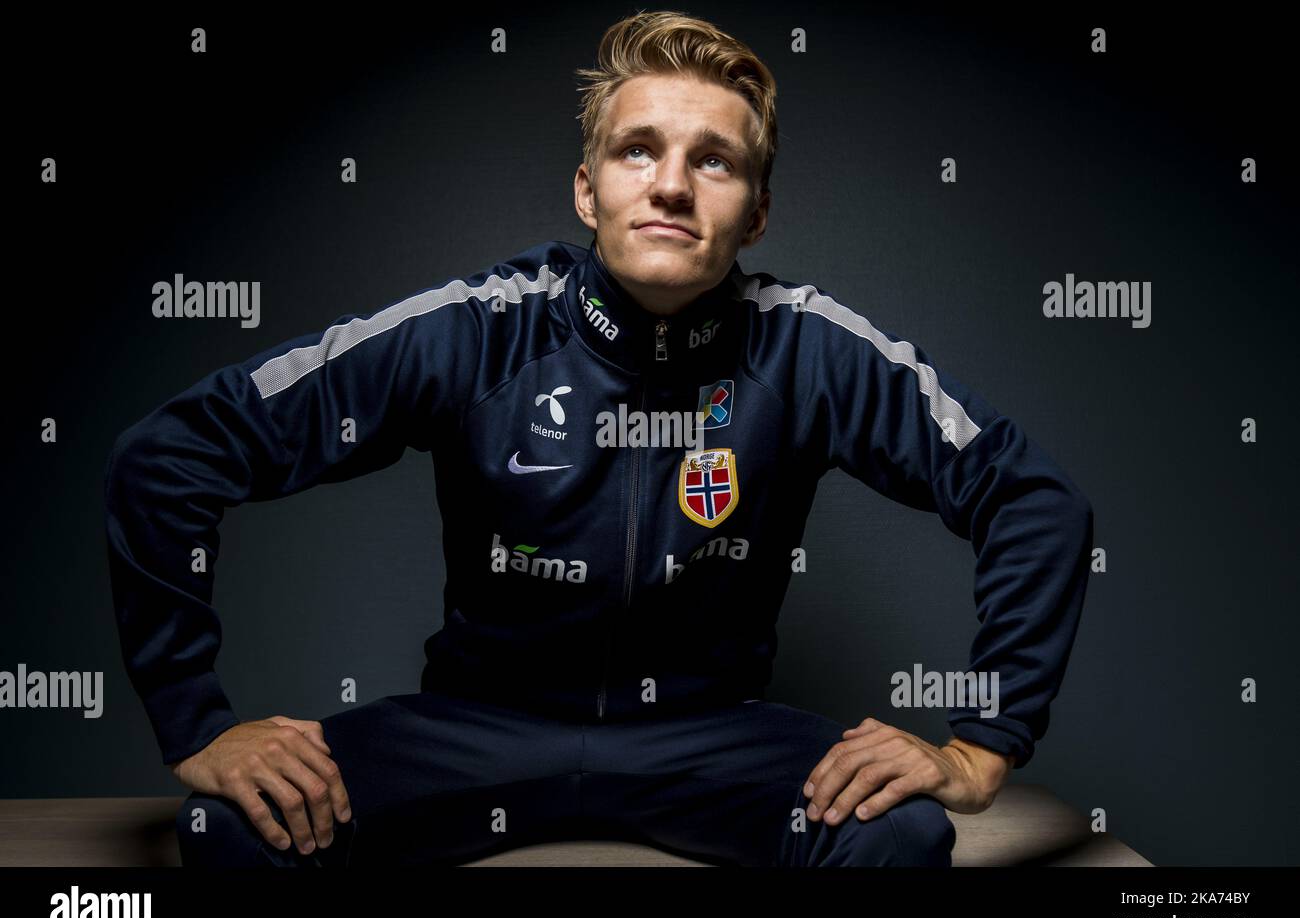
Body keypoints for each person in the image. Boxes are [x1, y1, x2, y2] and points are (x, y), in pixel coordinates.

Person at [103, 10, 1093, 868]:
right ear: (587, 191)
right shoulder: (479, 329)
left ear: (755, 214)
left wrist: (978, 747)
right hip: (471, 733)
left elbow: (1032, 501)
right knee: (229, 829)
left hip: (712, 741)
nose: (671, 186)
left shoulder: (809, 350)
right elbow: (172, 454)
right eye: (638, 150)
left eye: (714, 160)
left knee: (903, 838)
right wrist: (197, 723)